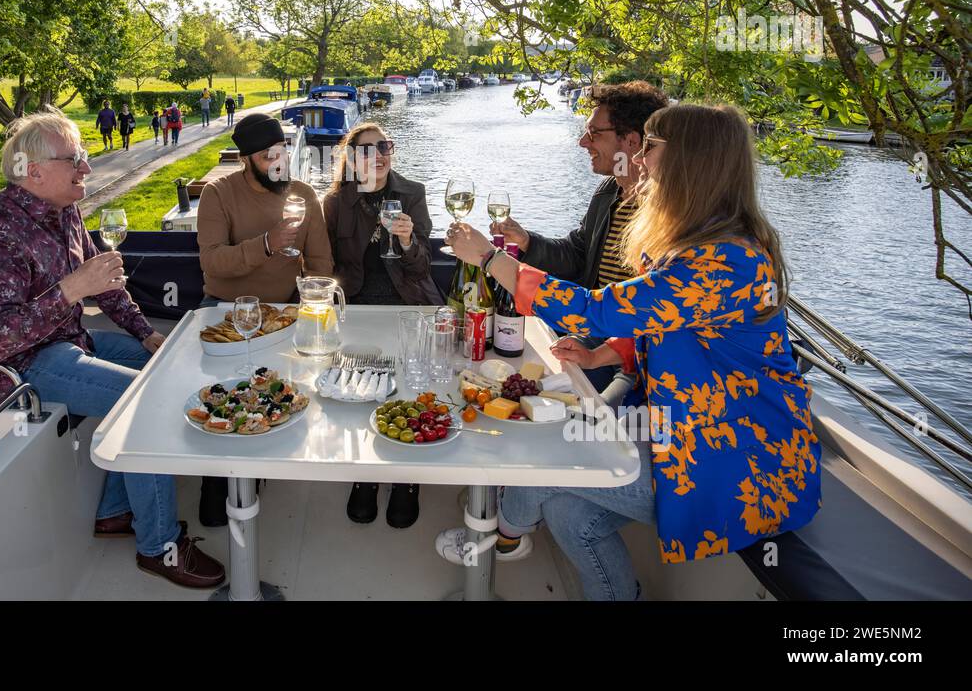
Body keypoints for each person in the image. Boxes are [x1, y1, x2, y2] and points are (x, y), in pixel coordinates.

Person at [439, 103, 821, 599]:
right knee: (570, 514)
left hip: (734, 466)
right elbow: (676, 331)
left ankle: (496, 539)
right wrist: (609, 357)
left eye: (652, 146)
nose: (639, 157)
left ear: (689, 161)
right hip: (685, 431)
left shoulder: (725, 260)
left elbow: (594, 312)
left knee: (553, 458)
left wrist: (491, 259)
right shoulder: (701, 243)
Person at [0, 108, 224, 589]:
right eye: (75, 158)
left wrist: (145, 334)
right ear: (32, 172)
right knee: (146, 402)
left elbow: (104, 280)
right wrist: (70, 290)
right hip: (16, 367)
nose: (87, 167)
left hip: (66, 340)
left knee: (165, 366)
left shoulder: (64, 210)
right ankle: (157, 545)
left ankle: (115, 510)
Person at [195, 113, 334, 524]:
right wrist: (268, 245)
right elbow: (212, 263)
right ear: (245, 159)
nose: (276, 162)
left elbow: (321, 260)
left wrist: (317, 305)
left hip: (284, 312)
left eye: (280, 152)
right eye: (265, 155)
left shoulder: (305, 194)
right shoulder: (218, 194)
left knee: (278, 393)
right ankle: (216, 487)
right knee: (225, 396)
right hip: (225, 312)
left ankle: (264, 465)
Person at [491, 81, 670, 394]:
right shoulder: (607, 192)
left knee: (580, 418)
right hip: (594, 334)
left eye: (594, 133)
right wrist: (526, 241)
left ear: (630, 141)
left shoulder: (669, 212)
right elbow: (577, 254)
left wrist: (489, 258)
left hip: (642, 355)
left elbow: (647, 313)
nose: (583, 142)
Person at [323, 122, 443, 529]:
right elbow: (327, 266)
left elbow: (424, 266)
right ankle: (366, 473)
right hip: (355, 306)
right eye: (367, 149)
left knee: (410, 386)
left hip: (408, 303)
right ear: (351, 158)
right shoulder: (337, 203)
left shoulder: (412, 193)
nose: (378, 155)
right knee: (360, 389)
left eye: (384, 147)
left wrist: (409, 243)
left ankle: (407, 479)